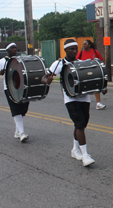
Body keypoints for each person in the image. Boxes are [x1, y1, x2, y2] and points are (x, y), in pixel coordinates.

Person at [42, 39, 101, 167]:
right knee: (79, 124)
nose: (74, 51)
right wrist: (48, 80)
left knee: (81, 124)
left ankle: (75, 150)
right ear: (65, 50)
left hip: (84, 98)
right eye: (71, 49)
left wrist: (101, 86)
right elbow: (45, 77)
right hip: (70, 99)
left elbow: (91, 78)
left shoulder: (81, 63)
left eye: (75, 48)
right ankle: (85, 155)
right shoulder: (59, 64)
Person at [0, 43, 30, 142]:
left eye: (15, 48)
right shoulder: (2, 62)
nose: (15, 49)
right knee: (16, 110)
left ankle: (17, 131)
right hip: (9, 89)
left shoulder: (20, 60)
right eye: (12, 48)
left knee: (23, 110)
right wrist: (0, 72)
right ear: (7, 50)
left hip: (22, 88)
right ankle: (22, 133)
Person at [76, 40, 106, 110]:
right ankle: (81, 103)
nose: (84, 45)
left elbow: (100, 61)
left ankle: (98, 103)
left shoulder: (95, 51)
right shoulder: (80, 53)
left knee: (96, 87)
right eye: (83, 44)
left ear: (89, 45)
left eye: (85, 44)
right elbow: (75, 62)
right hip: (83, 73)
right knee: (83, 88)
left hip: (94, 72)